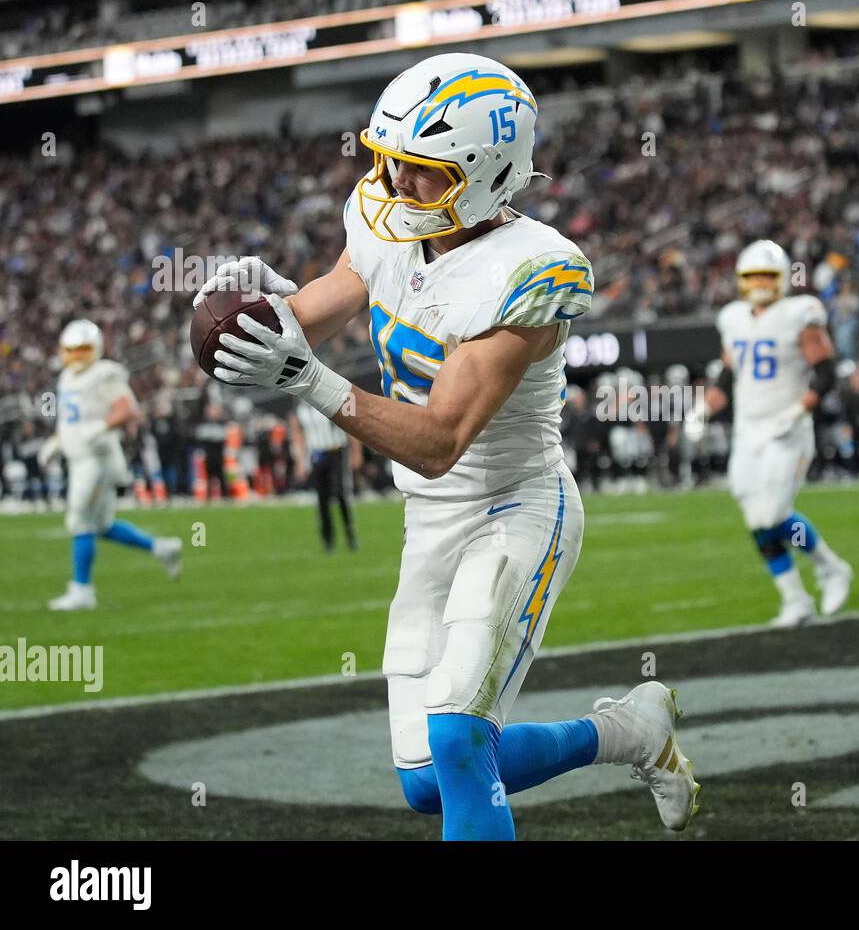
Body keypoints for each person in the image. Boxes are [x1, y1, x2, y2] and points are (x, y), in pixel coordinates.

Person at [192, 53, 699, 840]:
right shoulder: (386, 217)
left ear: (489, 173)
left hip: (515, 504)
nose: (394, 185)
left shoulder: (534, 272)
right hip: (428, 518)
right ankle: (631, 733)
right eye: (389, 162)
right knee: (428, 781)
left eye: (421, 170)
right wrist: (260, 312)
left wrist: (310, 379)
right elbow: (319, 308)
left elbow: (439, 441)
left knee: (460, 738)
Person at [706, 239, 853, 628]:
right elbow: (726, 372)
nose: (759, 284)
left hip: (787, 429)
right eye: (752, 276)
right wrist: (702, 408)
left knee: (773, 512)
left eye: (766, 276)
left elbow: (826, 373)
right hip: (747, 430)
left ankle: (830, 567)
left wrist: (798, 409)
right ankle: (795, 599)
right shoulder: (733, 317)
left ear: (783, 278)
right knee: (757, 519)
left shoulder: (800, 314)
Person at [42, 320, 181, 611]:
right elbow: (71, 419)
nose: (78, 357)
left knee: (80, 520)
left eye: (83, 350)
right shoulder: (67, 378)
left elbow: (128, 410)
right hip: (81, 458)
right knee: (102, 525)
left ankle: (82, 590)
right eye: (72, 350)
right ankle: (162, 548)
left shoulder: (105, 373)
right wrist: (58, 441)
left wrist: (99, 427)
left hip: (97, 460)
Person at [290, 401, 358, 551]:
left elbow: (349, 424)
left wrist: (356, 453)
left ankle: (350, 534)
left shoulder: (326, 399)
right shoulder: (300, 407)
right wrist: (300, 461)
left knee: (340, 493)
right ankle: (328, 539)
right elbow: (298, 434)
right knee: (321, 498)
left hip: (335, 451)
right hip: (316, 455)